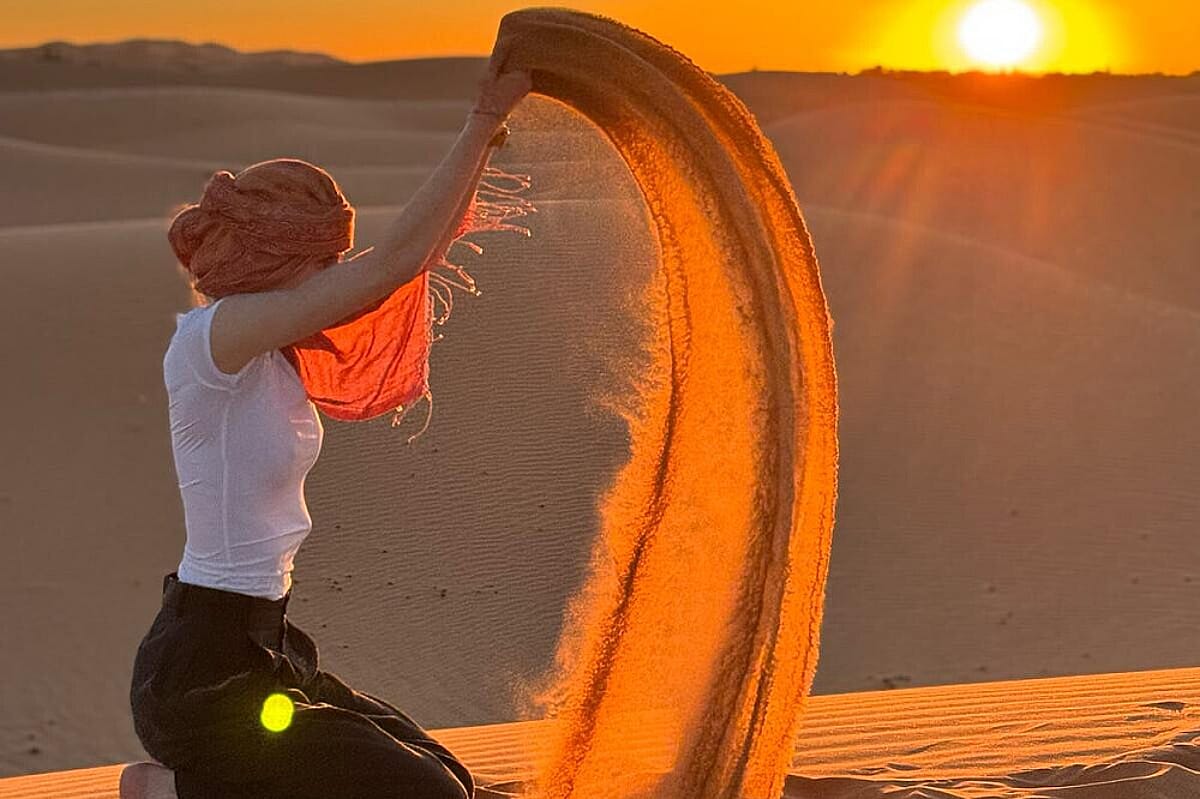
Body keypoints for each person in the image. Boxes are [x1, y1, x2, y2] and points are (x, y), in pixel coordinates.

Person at [121, 55, 533, 799]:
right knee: (426, 797)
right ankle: (164, 789)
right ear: (279, 254)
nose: (336, 272)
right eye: (323, 259)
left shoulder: (273, 346)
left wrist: (493, 129)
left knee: (449, 778)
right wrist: (478, 118)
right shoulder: (212, 343)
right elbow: (389, 267)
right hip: (201, 669)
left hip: (269, 651)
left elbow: (412, 260)